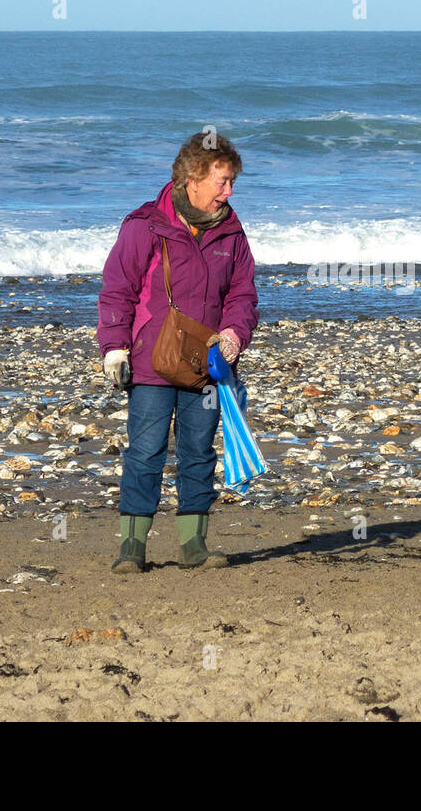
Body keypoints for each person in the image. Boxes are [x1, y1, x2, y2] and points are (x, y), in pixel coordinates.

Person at [96, 132, 259, 572]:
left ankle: (194, 546)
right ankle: (132, 547)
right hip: (150, 360)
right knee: (145, 450)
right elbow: (117, 290)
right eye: (222, 182)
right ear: (192, 179)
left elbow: (242, 294)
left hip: (207, 361)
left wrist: (234, 334)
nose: (229, 192)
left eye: (231, 183)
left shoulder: (231, 229)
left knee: (199, 450)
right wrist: (114, 348)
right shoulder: (144, 225)